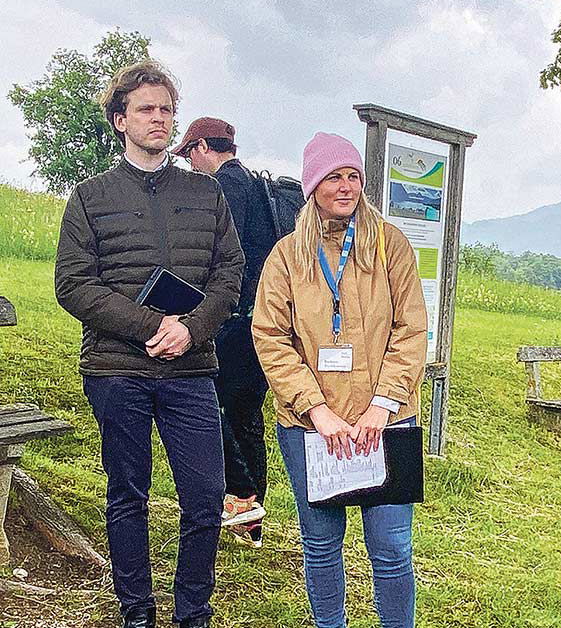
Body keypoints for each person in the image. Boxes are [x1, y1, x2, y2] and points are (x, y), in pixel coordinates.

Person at [54, 61, 243, 628]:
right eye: (146, 109)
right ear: (120, 121)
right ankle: (137, 613)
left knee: (206, 499)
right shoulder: (90, 197)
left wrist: (191, 327)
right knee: (127, 497)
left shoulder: (206, 195)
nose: (159, 118)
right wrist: (149, 326)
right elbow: (73, 284)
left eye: (166, 109)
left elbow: (230, 273)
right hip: (117, 370)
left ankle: (194, 614)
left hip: (191, 370)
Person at [252, 132, 427, 628]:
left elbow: (412, 328)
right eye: (334, 176)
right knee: (321, 544)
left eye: (354, 176)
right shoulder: (287, 256)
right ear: (312, 186)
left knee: (392, 547)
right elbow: (270, 336)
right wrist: (317, 410)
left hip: (386, 421)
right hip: (310, 427)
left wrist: (384, 404)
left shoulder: (389, 244)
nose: (346, 186)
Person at [172, 116, 296, 547]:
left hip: (232, 321)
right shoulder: (262, 188)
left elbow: (217, 259)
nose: (190, 165)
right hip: (268, 324)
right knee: (247, 417)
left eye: (190, 154)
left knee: (205, 404)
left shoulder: (220, 189)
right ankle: (251, 523)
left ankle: (239, 497)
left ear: (204, 146)